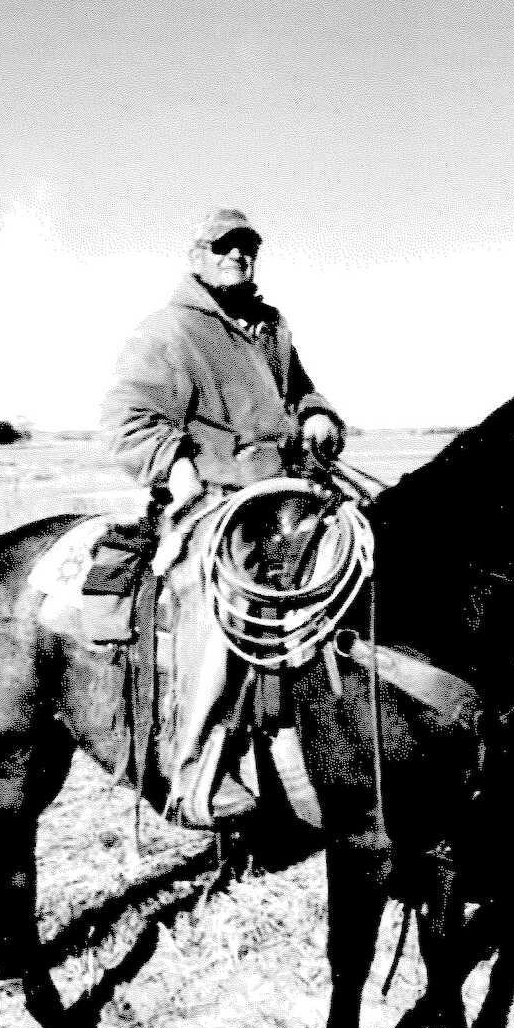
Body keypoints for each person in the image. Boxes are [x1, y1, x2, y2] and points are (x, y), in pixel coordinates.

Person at [100, 208, 344, 827]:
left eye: (248, 246)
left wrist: (317, 416)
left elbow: (302, 394)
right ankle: (200, 774)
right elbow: (131, 420)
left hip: (290, 493)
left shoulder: (270, 326)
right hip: (213, 497)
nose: (238, 256)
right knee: (222, 607)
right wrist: (178, 468)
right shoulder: (170, 331)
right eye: (224, 246)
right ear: (196, 257)